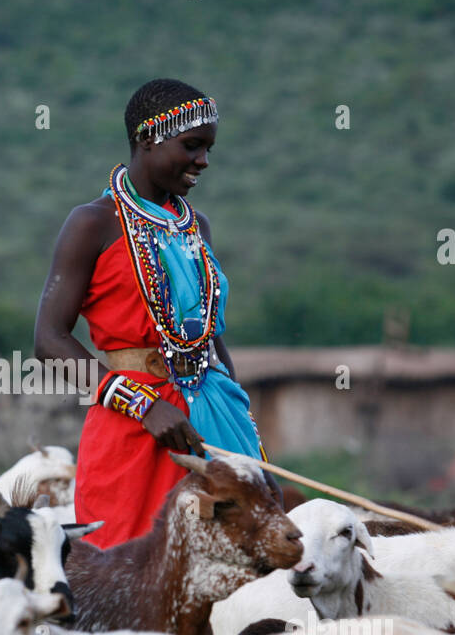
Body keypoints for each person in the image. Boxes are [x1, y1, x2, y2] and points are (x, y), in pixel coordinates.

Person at [34, 78, 281, 549]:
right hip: (134, 425)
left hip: (213, 417)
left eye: (208, 148)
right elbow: (48, 341)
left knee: (248, 558)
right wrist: (143, 405)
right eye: (192, 145)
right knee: (127, 573)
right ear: (149, 138)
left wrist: (238, 412)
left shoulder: (196, 225)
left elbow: (210, 336)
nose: (203, 161)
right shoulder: (92, 224)